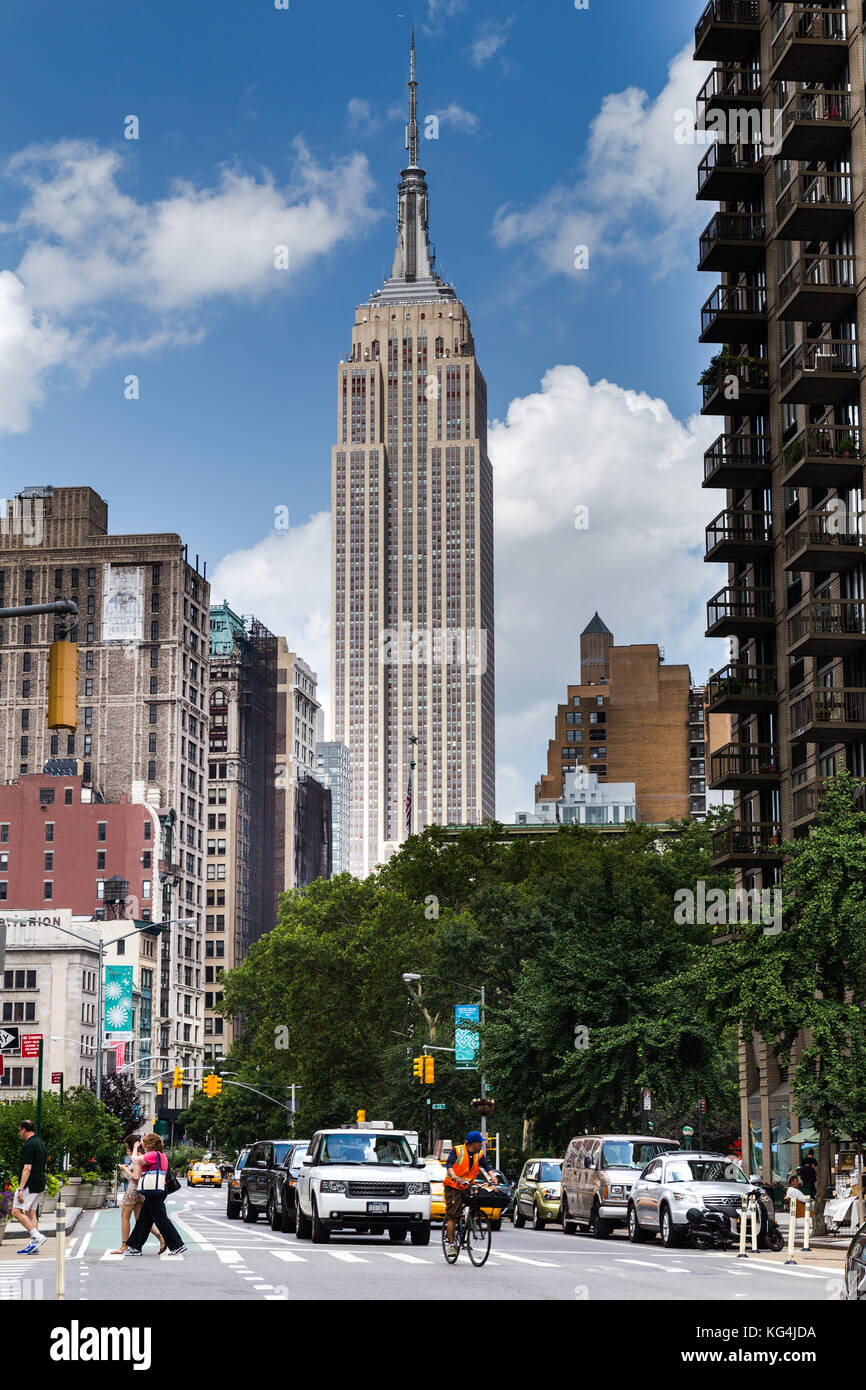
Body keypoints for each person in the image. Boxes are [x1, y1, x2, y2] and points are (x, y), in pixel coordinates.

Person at [123, 1135, 186, 1257]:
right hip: (157, 1190)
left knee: (161, 1220)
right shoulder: (162, 1156)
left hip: (154, 1191)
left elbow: (135, 1160)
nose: (144, 1146)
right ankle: (135, 1246)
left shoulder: (153, 1155)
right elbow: (138, 1166)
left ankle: (178, 1245)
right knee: (144, 1220)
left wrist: (135, 1147)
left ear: (150, 1145)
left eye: (145, 1143)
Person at [443, 1130, 496, 1259]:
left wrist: (493, 1177)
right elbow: (449, 1164)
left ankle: (472, 1220)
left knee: (476, 1201)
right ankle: (451, 1245)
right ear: (474, 1144)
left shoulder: (479, 1155)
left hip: (467, 1186)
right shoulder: (457, 1151)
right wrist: (454, 1176)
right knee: (453, 1215)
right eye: (480, 1143)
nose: (482, 1145)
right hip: (453, 1186)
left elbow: (487, 1166)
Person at [111, 1134, 166, 1256]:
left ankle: (124, 1245)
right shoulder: (142, 1156)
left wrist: (124, 1169)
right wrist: (126, 1169)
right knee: (140, 1219)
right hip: (141, 1190)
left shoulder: (137, 1156)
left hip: (133, 1189)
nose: (127, 1148)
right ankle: (161, 1237)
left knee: (125, 1216)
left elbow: (135, 1176)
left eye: (127, 1146)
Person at [12, 1119, 48, 1255]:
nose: (19, 1133)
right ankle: (34, 1244)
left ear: (23, 1129)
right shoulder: (40, 1143)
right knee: (31, 1212)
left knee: (15, 1211)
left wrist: (21, 1189)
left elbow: (27, 1168)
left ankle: (37, 1236)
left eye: (19, 1130)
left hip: (30, 1185)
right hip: (40, 1183)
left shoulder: (29, 1145)